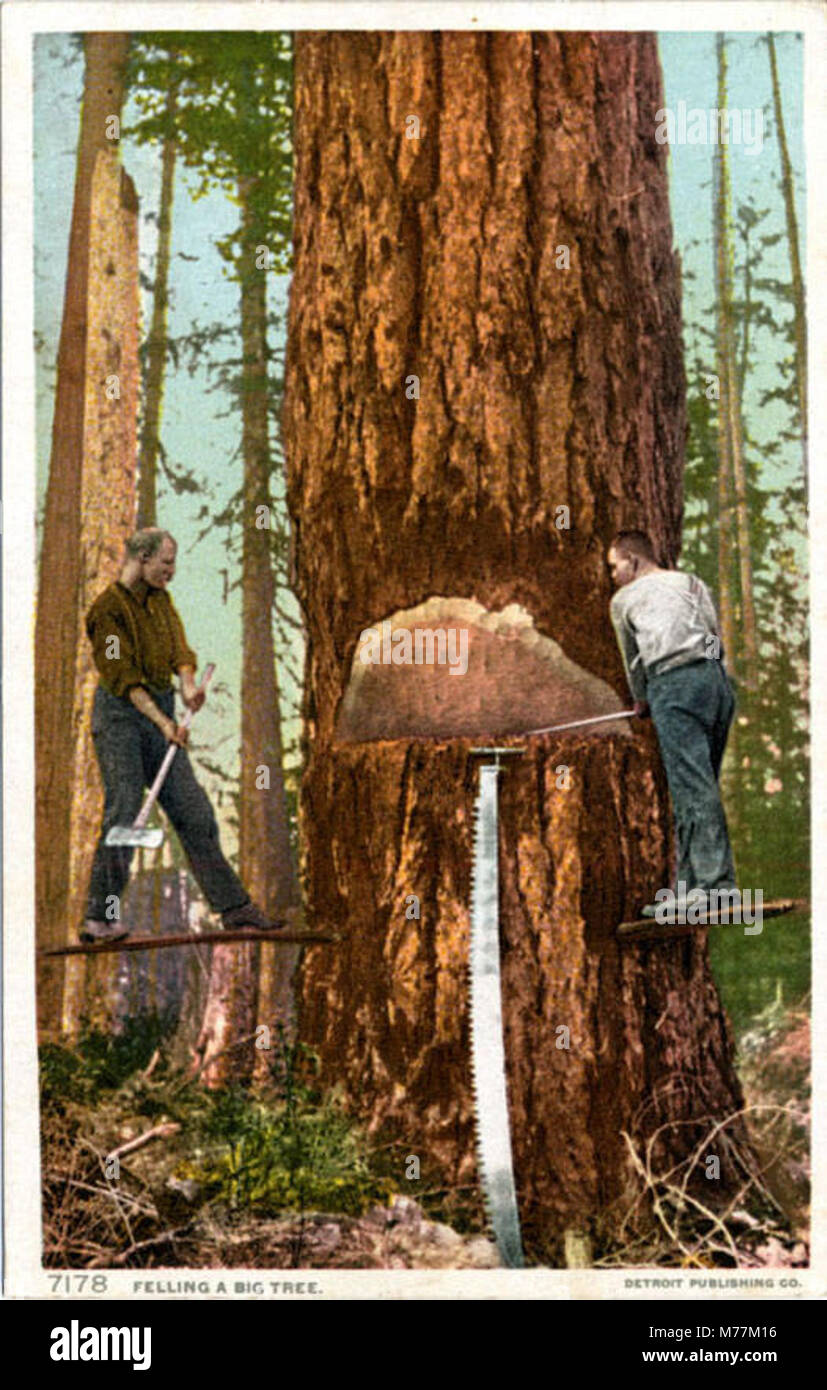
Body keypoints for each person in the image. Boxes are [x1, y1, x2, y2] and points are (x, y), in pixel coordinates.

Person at [81, 526, 284, 942]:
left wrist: (188, 687)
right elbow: (123, 678)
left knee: (193, 811)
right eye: (166, 562)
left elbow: (179, 652)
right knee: (124, 812)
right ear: (141, 557)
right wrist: (163, 724)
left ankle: (233, 907)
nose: (171, 571)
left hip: (161, 714)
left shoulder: (160, 601)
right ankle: (100, 918)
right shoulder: (106, 612)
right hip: (122, 717)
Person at [607, 529, 738, 919]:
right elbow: (715, 638)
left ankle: (715, 887)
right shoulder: (691, 584)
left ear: (632, 561)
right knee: (699, 784)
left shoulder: (624, 599)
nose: (612, 575)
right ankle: (693, 887)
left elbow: (633, 660)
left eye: (613, 566)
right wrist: (711, 675)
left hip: (672, 684)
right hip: (714, 684)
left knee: (691, 787)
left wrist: (643, 699)